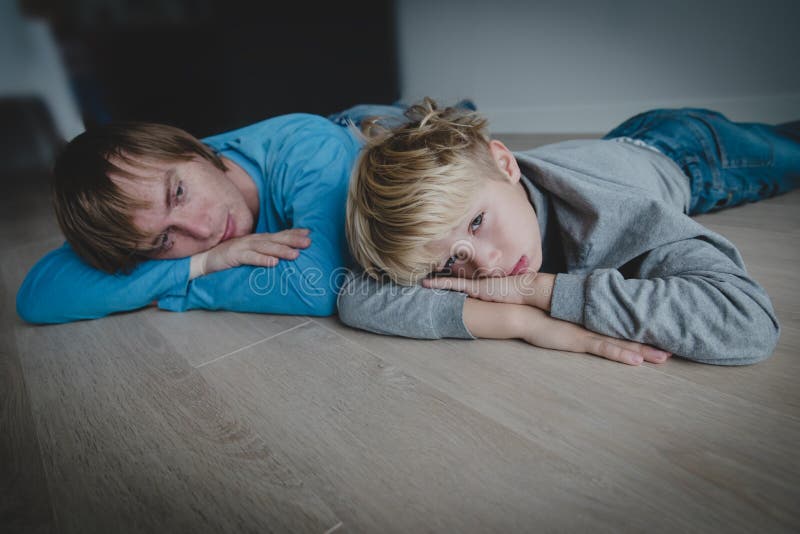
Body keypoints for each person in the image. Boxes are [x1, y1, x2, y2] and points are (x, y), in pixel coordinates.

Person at [339, 99, 800, 366]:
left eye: (477, 222)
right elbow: (355, 296)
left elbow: (748, 323)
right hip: (611, 143)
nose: (487, 266)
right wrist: (521, 322)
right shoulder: (476, 206)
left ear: (505, 163)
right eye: (452, 261)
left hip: (693, 151)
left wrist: (538, 289)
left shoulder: (618, 219)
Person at [17, 111, 368, 323]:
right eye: (164, 240)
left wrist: (179, 290)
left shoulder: (309, 147)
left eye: (179, 194)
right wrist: (202, 263)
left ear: (192, 147)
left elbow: (321, 285)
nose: (202, 230)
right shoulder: (150, 193)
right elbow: (39, 296)